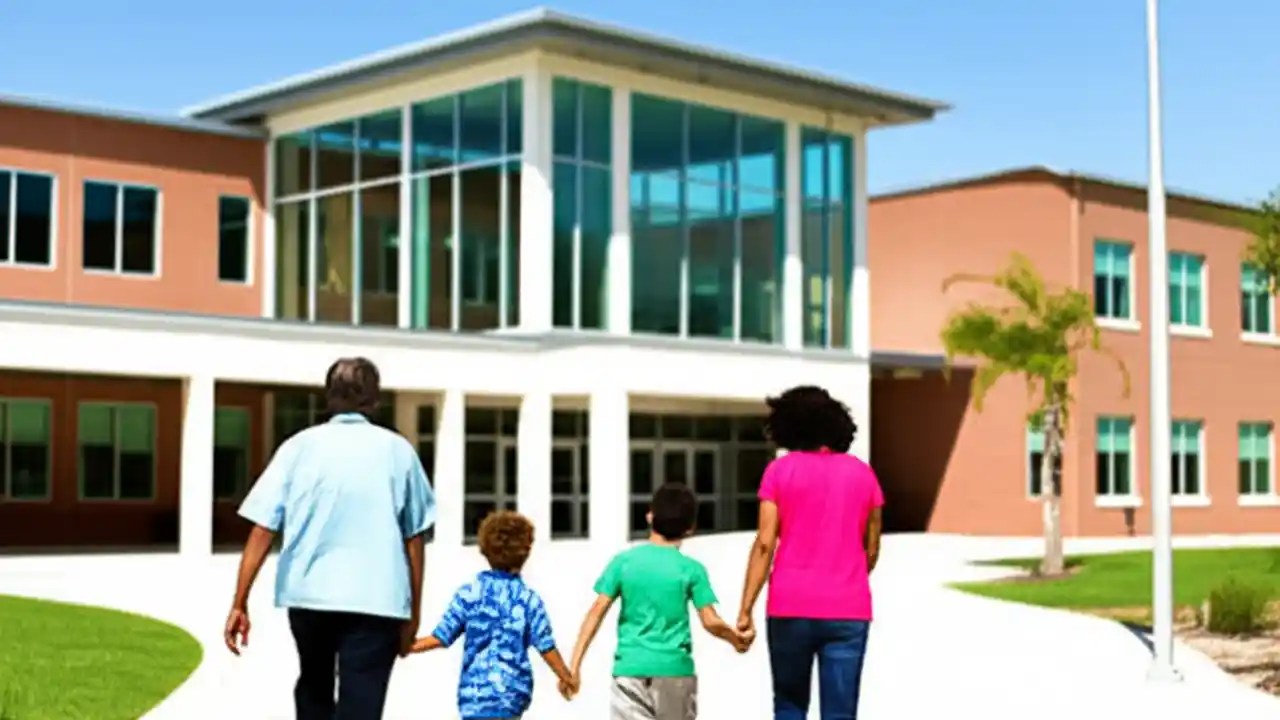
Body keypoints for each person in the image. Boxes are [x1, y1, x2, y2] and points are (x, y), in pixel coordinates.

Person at [223, 357, 435, 720]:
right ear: (374, 400)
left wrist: (239, 603)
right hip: (377, 602)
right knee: (362, 704)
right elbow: (413, 540)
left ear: (329, 398)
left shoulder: (297, 448)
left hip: (309, 598)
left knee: (314, 691)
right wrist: (412, 616)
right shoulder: (398, 452)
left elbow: (263, 528)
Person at [736, 385, 884, 720]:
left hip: (789, 607)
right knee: (841, 713)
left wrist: (745, 608)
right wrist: (846, 576)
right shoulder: (863, 473)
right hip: (849, 609)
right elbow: (871, 548)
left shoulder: (779, 471)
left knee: (789, 705)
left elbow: (764, 544)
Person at [568, 482, 751, 720]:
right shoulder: (691, 570)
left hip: (630, 670)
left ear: (649, 517)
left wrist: (574, 665)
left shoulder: (623, 563)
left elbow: (596, 612)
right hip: (675, 672)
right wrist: (734, 638)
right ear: (690, 528)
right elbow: (710, 620)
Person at [410, 510, 576, 719]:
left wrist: (406, 645)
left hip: (474, 697)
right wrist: (566, 676)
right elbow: (546, 646)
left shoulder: (469, 595)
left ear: (485, 550)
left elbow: (440, 638)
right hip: (511, 696)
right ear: (525, 552)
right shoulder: (527, 599)